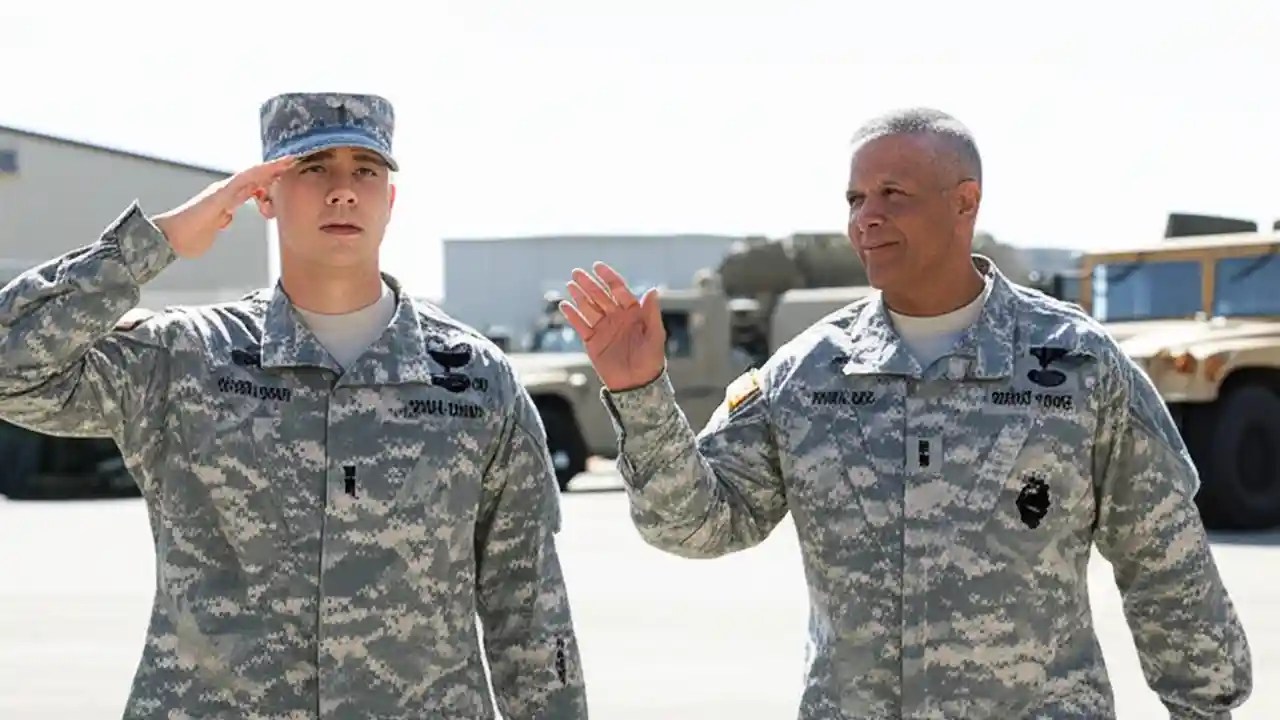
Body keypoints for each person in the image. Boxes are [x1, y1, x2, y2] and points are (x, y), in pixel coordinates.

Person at [558, 107, 1251, 719]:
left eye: (893, 194)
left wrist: (1205, 707)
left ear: (964, 202)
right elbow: (697, 525)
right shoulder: (808, 375)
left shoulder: (1078, 366)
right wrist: (640, 390)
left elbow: (1165, 563)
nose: (866, 217)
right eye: (856, 197)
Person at [0, 92, 588, 719]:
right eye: (313, 169)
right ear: (263, 196)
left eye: (366, 170)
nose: (343, 191)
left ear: (390, 201)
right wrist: (156, 242)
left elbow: (526, 608)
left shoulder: (472, 382)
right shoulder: (185, 359)